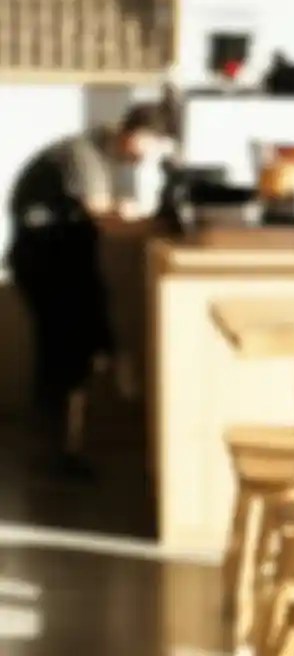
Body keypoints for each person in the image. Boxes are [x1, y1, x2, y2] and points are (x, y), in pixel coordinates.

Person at [5, 103, 172, 477]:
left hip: (62, 260)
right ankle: (55, 452)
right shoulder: (83, 155)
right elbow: (99, 212)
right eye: (152, 146)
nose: (145, 158)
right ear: (136, 133)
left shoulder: (91, 151)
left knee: (83, 346)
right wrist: (148, 223)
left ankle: (67, 446)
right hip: (45, 263)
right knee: (62, 354)